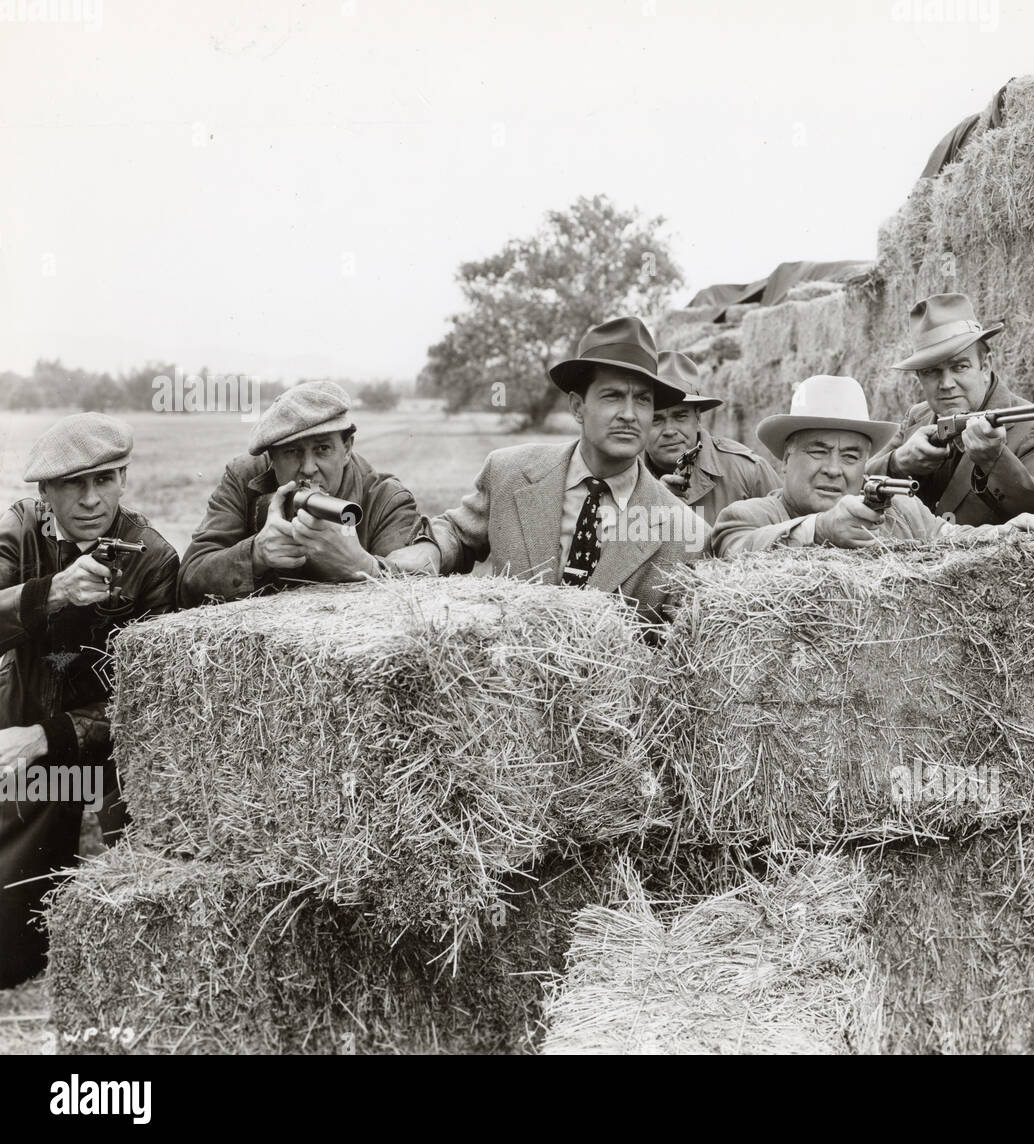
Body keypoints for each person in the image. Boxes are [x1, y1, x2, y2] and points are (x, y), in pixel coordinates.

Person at [0, 413, 178, 988]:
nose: (91, 499)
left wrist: (50, 735)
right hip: (23, 727)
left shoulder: (152, 557)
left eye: (104, 480)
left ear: (124, 478)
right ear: (44, 493)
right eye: (72, 484)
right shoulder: (17, 533)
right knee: (12, 944)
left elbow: (153, 700)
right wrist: (50, 593)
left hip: (113, 739)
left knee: (151, 866)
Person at [388, 317, 709, 624]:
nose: (628, 414)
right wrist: (430, 550)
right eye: (612, 396)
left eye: (642, 399)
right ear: (577, 407)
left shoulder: (683, 533)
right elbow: (458, 534)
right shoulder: (508, 473)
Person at [711, 375, 1034, 556]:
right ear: (786, 457)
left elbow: (955, 541)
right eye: (818, 452)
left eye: (850, 457)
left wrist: (1010, 532)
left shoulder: (901, 512)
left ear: (866, 463)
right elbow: (735, 553)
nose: (834, 469)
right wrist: (820, 529)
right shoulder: (746, 517)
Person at [177, 380, 421, 606]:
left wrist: (364, 567)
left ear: (346, 449)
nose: (308, 468)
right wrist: (255, 554)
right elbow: (187, 582)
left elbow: (415, 594)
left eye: (323, 449)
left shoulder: (384, 499)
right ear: (271, 457)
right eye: (292, 452)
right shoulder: (244, 478)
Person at [864, 293, 1034, 525]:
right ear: (918, 377)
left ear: (985, 367)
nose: (946, 384)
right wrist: (896, 463)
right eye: (931, 372)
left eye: (959, 367)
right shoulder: (917, 417)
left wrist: (996, 461)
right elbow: (849, 487)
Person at [644, 351, 780, 525]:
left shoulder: (749, 472)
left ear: (698, 418)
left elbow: (792, 535)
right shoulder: (620, 477)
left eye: (680, 416)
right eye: (656, 419)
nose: (669, 430)